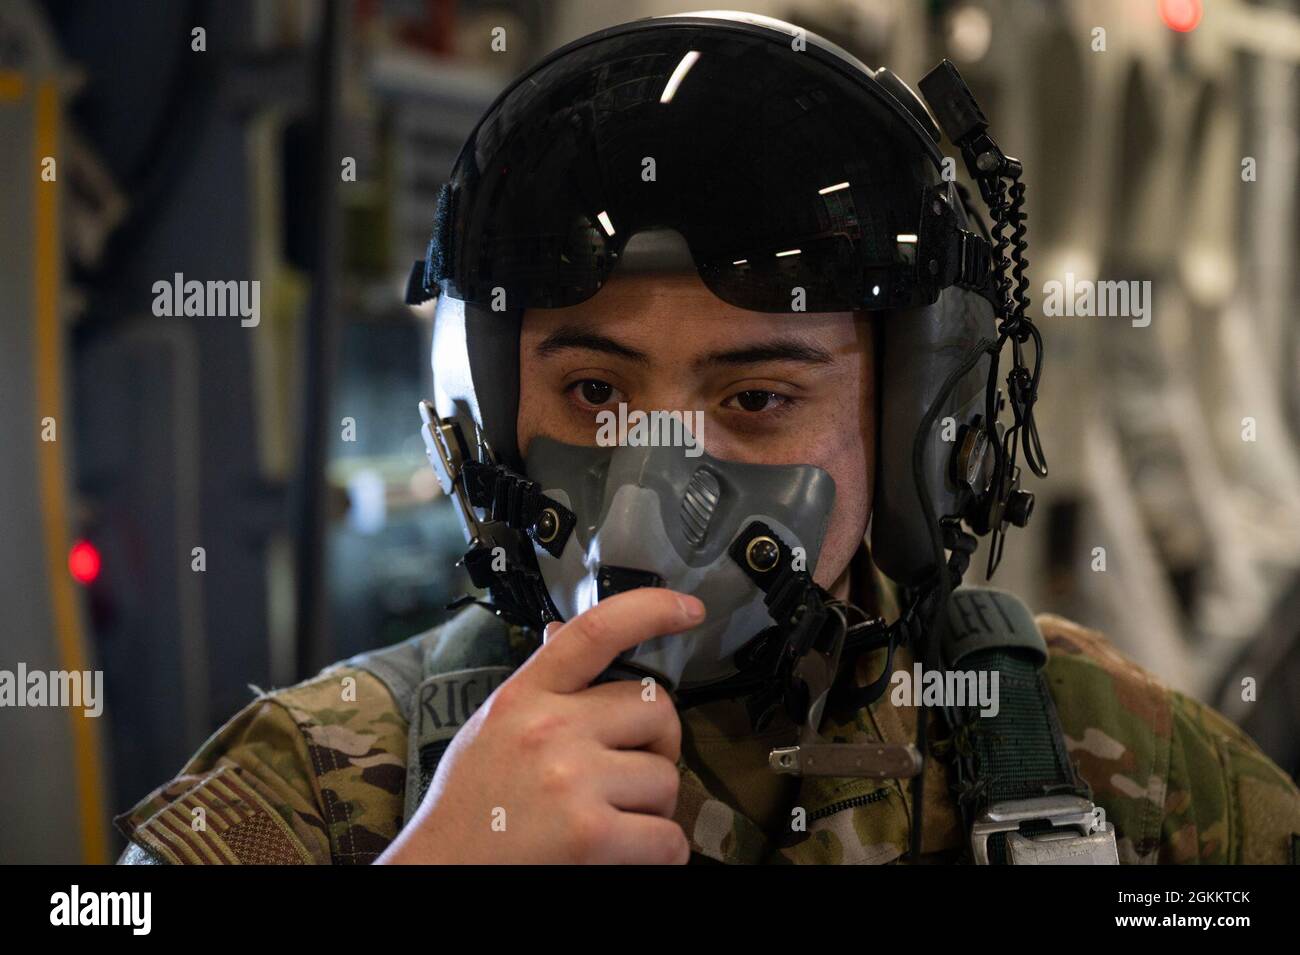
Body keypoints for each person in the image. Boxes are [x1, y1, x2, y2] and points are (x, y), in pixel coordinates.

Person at [117, 11, 1300, 866]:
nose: (649, 476)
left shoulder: (1105, 760)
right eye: (591, 387)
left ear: (912, 435)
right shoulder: (326, 781)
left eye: (754, 400)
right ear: (481, 417)